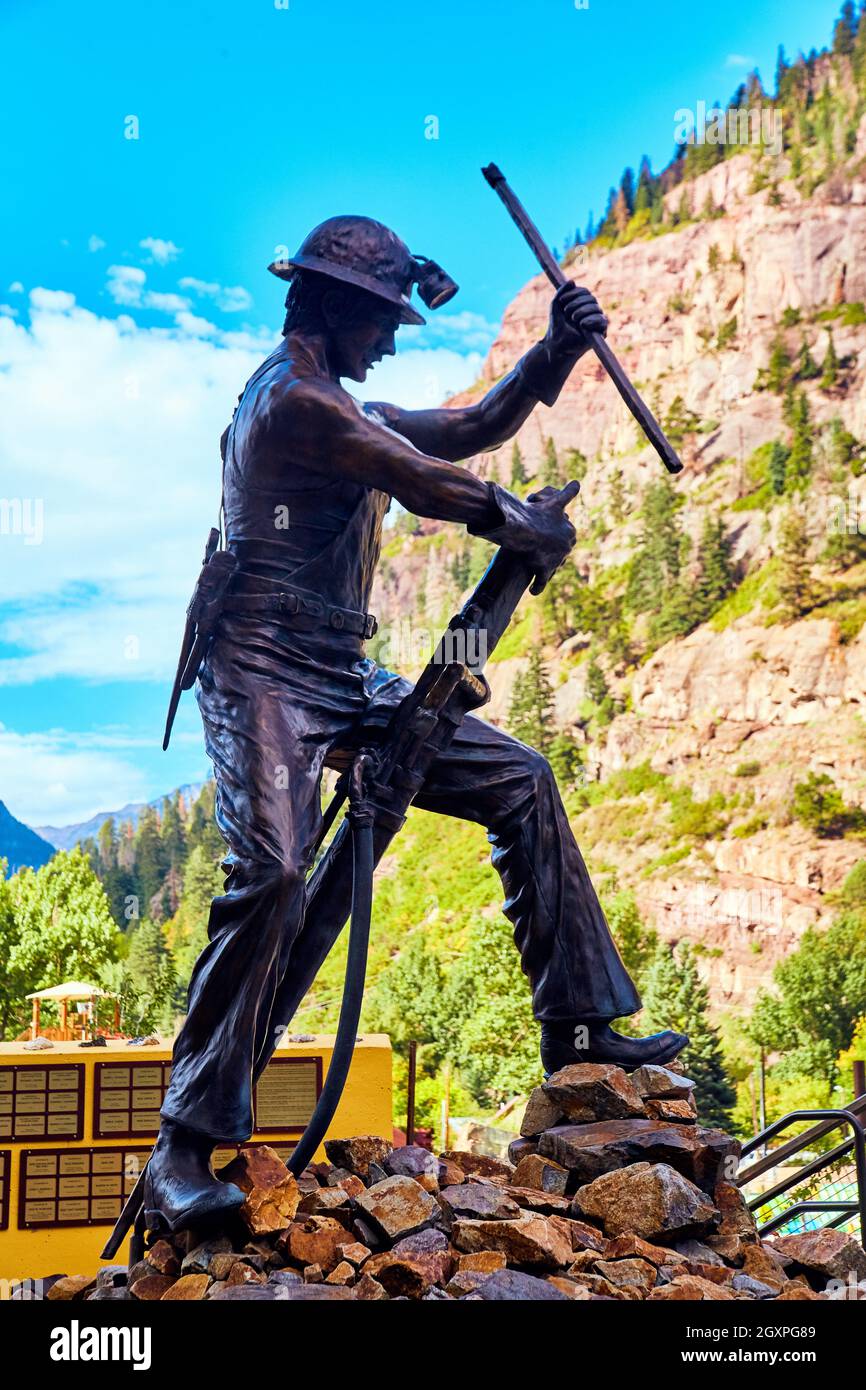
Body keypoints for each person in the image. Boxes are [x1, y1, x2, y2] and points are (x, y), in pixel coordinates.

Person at [149, 215, 686, 1231]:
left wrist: (551, 352)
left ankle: (577, 1029)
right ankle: (182, 1146)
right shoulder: (293, 403)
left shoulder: (343, 398)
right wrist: (516, 520)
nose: (393, 338)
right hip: (261, 663)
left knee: (518, 780)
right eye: (384, 320)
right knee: (269, 872)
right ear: (338, 307)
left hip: (339, 667)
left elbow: (471, 428)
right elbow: (429, 480)